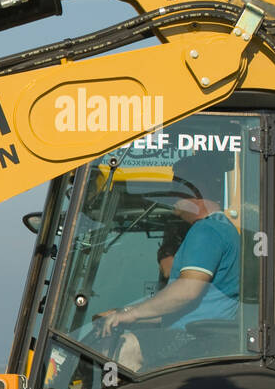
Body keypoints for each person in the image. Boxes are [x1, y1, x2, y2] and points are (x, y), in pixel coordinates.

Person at [96, 152, 240, 370]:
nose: (172, 194)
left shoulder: (206, 230)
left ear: (196, 189)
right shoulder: (220, 228)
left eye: (178, 185)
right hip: (196, 334)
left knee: (123, 348)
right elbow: (180, 306)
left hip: (194, 338)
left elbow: (187, 291)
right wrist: (123, 313)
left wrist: (131, 313)